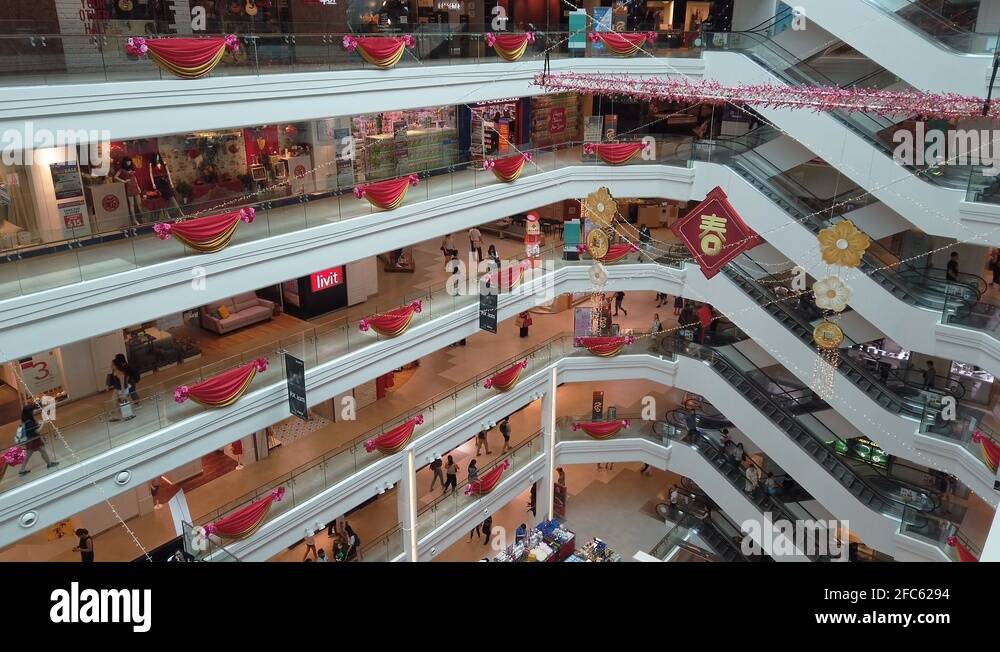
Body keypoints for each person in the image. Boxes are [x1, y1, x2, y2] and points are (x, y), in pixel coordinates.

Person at [17, 405, 58, 476]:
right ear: (30, 412)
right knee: (33, 454)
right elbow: (37, 431)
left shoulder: (27, 420)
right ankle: (49, 464)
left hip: (32, 440)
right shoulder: (29, 422)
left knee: (40, 451)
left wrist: (38, 423)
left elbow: (33, 428)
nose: (35, 411)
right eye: (33, 410)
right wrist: (43, 423)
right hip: (33, 440)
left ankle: (49, 463)